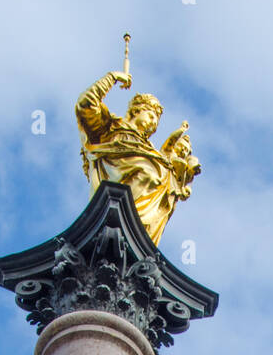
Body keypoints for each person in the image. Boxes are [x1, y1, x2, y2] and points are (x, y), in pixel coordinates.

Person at [75, 68, 201, 244]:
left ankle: (137, 233)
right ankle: (125, 219)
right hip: (111, 196)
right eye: (150, 115)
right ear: (136, 111)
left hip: (140, 218)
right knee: (150, 171)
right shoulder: (110, 128)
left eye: (156, 121)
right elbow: (85, 105)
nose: (154, 123)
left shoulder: (150, 151)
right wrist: (112, 77)